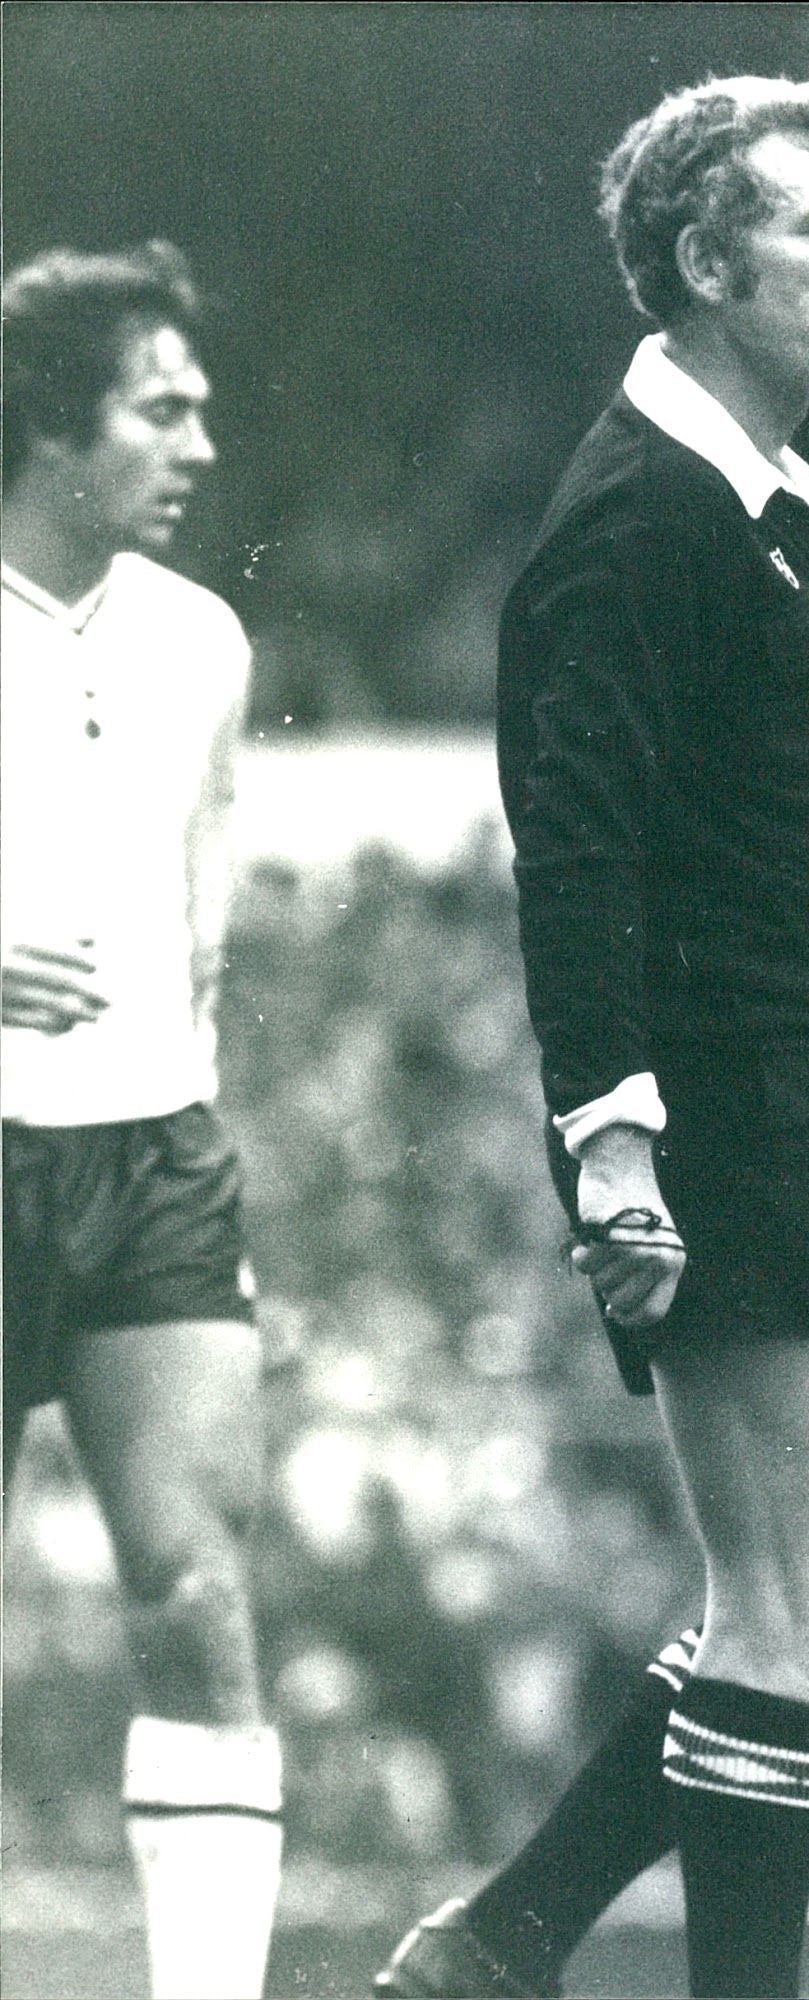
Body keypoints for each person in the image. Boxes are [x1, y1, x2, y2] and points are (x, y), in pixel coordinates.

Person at [376, 76, 809, 2000]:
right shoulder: (635, 515)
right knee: (794, 1611)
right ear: (704, 262)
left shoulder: (751, 497)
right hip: (725, 1114)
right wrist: (612, 1146)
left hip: (806, 1102)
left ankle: (500, 1939)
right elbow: (574, 852)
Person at [1, 242, 281, 2000]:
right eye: (159, 409)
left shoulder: (200, 640)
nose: (197, 442)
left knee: (196, 1594)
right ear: (48, 425)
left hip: (152, 1153)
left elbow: (205, 901)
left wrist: (183, 1085)